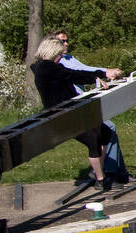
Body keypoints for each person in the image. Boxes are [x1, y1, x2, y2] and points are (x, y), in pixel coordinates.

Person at [30, 35, 124, 191]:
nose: (60, 57)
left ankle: (98, 173)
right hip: (62, 114)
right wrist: (99, 75)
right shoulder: (47, 68)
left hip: (72, 109)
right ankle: (101, 180)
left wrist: (97, 75)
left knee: (105, 133)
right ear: (52, 52)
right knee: (92, 139)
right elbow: (73, 75)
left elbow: (73, 73)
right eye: (59, 54)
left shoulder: (45, 67)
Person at [53, 30, 130, 184]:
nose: (66, 44)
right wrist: (105, 73)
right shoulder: (57, 64)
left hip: (85, 104)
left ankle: (118, 173)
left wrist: (105, 72)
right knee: (108, 130)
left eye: (67, 40)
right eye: (62, 41)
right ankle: (108, 173)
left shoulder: (69, 58)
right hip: (75, 108)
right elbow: (78, 73)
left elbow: (86, 68)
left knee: (109, 132)